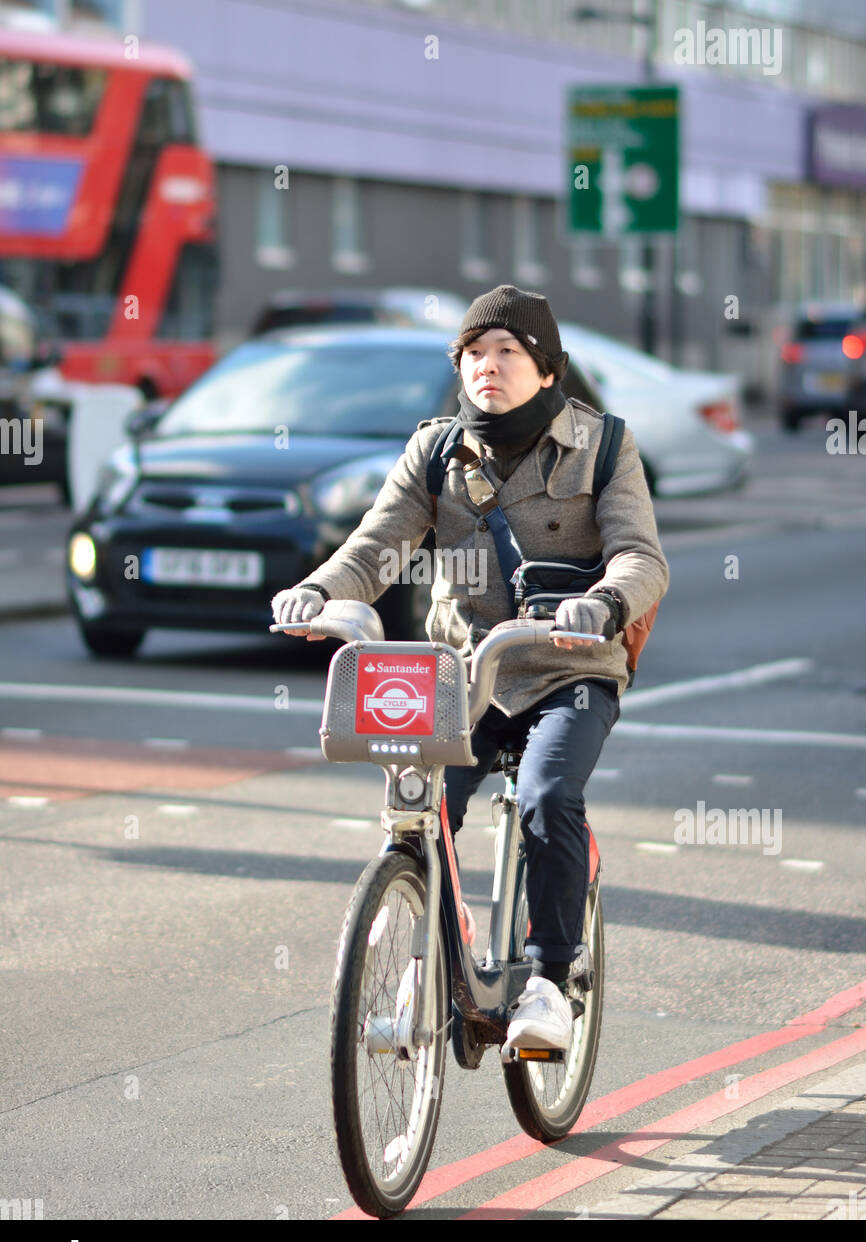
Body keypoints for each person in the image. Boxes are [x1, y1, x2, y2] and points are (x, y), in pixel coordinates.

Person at [272, 285, 669, 1052]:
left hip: (568, 667)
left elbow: (639, 557)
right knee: (419, 809)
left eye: (507, 352)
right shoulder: (434, 451)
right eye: (473, 353)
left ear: (548, 371)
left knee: (550, 795)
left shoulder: (607, 446)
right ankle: (427, 965)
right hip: (464, 672)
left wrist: (607, 602)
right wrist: (320, 591)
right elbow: (376, 544)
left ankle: (551, 979)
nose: (487, 366)